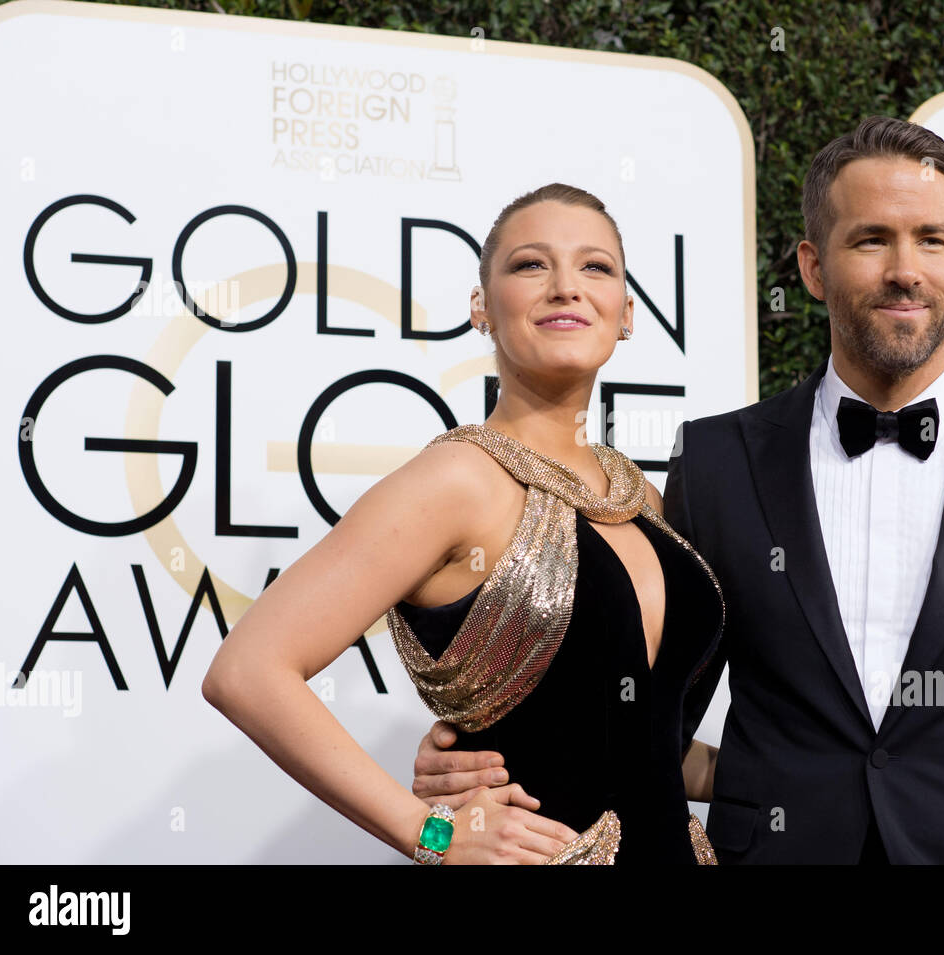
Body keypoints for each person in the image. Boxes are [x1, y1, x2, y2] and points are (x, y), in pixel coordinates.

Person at [412, 118, 944, 864]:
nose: (905, 269)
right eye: (870, 240)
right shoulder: (718, 460)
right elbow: (647, 714)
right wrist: (493, 750)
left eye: (930, 239)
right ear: (812, 266)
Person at [202, 182, 724, 865]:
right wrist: (433, 834)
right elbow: (247, 670)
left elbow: (644, 744)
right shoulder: (457, 481)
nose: (567, 287)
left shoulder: (641, 498)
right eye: (531, 264)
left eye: (595, 266)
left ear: (626, 313)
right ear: (481, 307)